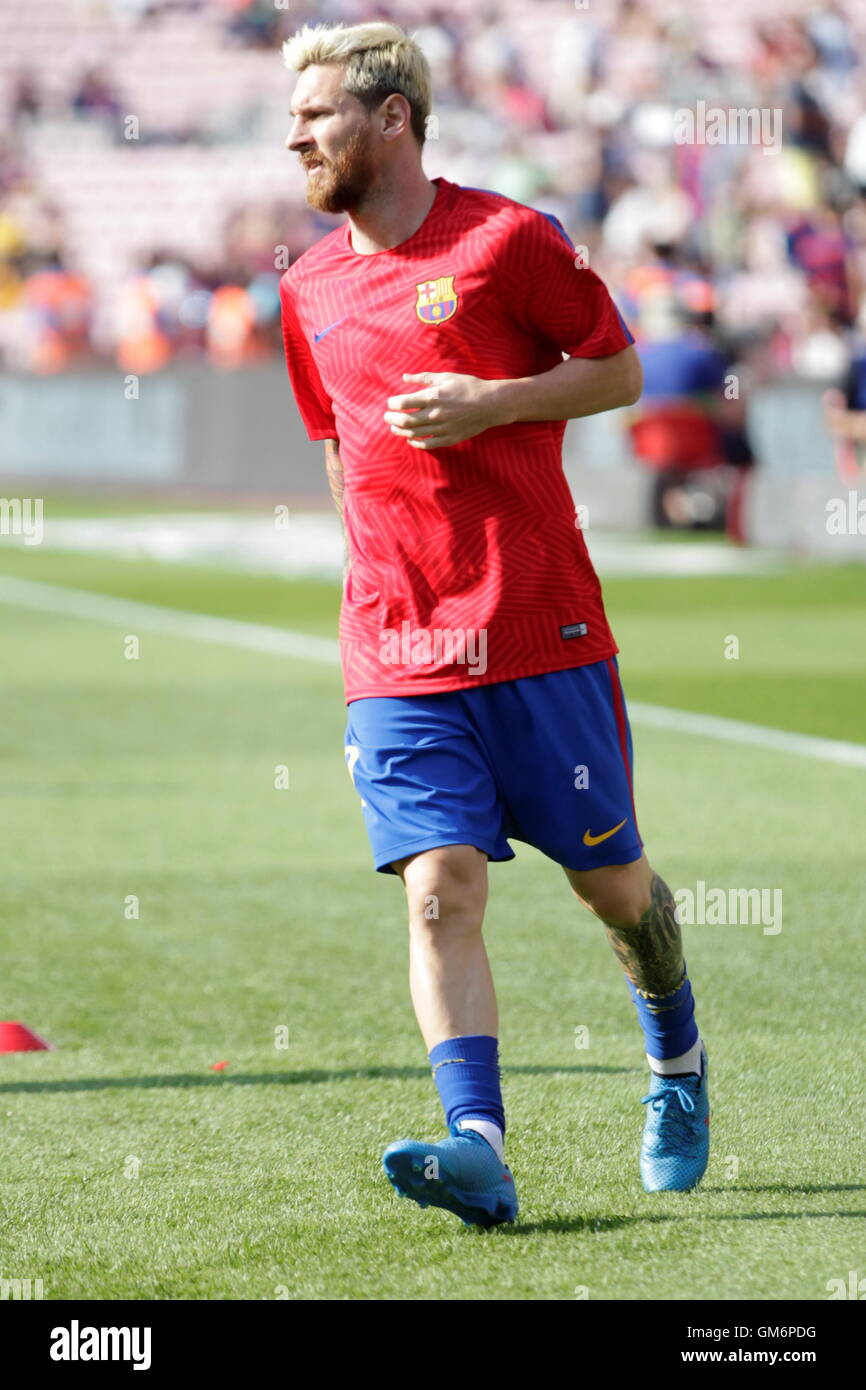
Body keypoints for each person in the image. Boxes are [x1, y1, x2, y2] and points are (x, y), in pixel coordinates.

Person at [279, 20, 710, 1228]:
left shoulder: (507, 239)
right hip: (396, 643)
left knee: (613, 888)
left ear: (393, 117)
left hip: (536, 626)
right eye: (291, 119)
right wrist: (372, 579)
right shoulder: (304, 286)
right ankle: (479, 1147)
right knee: (438, 888)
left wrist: (493, 403)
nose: (296, 135)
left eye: (316, 114)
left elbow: (616, 369)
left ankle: (673, 1057)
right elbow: (336, 447)